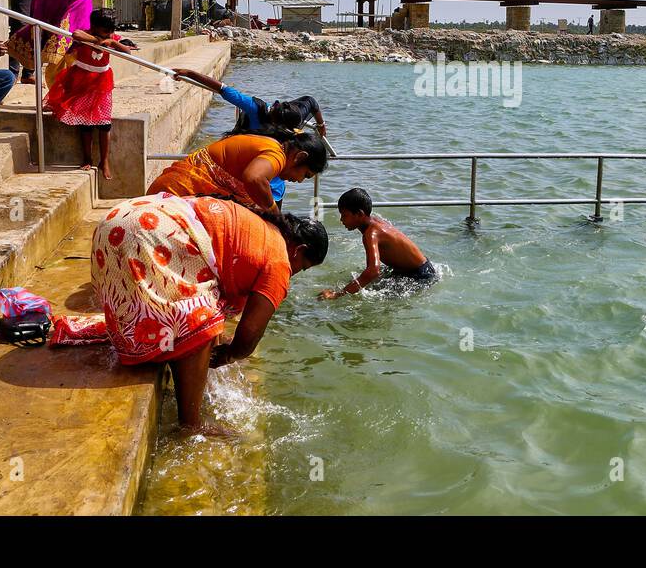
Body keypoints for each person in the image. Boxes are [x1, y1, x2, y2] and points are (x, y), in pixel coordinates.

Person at [91, 192, 328, 433]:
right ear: (299, 250)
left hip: (116, 222)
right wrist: (227, 355)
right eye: (304, 267)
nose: (297, 273)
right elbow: (249, 335)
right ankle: (191, 425)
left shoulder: (263, 228)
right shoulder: (279, 261)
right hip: (145, 234)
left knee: (202, 315)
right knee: (200, 325)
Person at [44, 9, 138, 178]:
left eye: (111, 32)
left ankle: (105, 161)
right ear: (94, 27)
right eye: (105, 31)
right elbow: (76, 34)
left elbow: (128, 51)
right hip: (82, 80)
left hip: (102, 82)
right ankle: (87, 158)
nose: (109, 34)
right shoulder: (85, 36)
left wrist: (111, 42)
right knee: (85, 124)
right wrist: (96, 40)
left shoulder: (111, 38)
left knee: (104, 124)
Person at [146, 130, 329, 210]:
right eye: (305, 175)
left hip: (169, 193)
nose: (299, 181)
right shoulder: (277, 155)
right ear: (300, 157)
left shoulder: (270, 145)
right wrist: (274, 212)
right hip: (175, 196)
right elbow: (254, 178)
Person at [319, 187, 437, 299]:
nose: (341, 220)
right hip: (418, 268)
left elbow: (373, 271)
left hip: (421, 276)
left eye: (344, 215)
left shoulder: (371, 234)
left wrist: (338, 295)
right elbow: (371, 270)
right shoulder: (374, 222)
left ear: (360, 214)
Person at [169, 67, 327, 137]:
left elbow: (311, 102)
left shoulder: (295, 117)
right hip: (246, 140)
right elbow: (222, 88)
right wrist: (189, 73)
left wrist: (321, 126)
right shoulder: (254, 108)